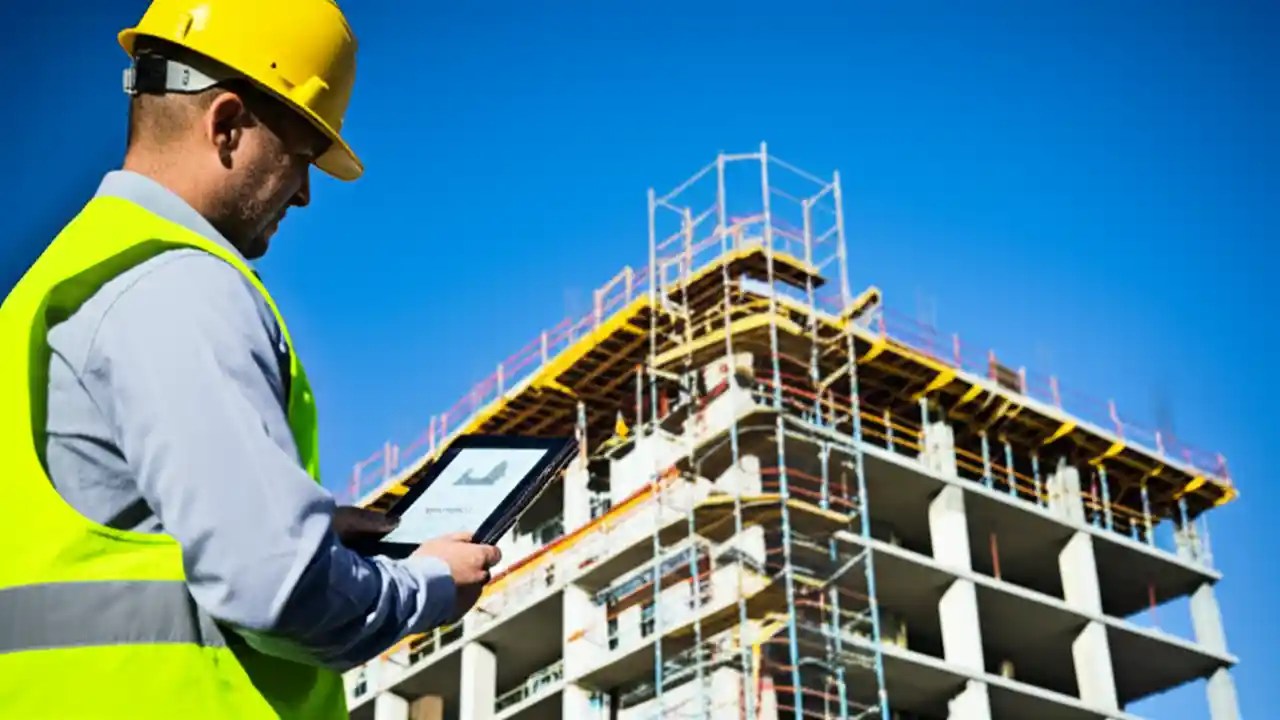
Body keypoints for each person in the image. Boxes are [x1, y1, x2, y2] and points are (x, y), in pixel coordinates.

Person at [0, 1, 500, 718]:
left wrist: (310, 525)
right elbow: (277, 588)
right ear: (227, 125)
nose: (302, 194)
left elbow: (110, 540)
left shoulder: (60, 284)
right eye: (299, 159)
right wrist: (425, 586)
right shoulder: (177, 283)